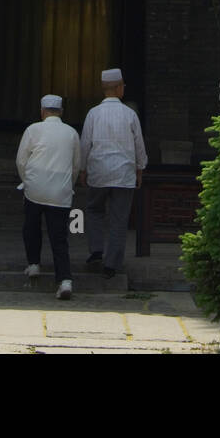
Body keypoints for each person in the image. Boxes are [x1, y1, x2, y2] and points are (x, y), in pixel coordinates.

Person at [79, 68, 147, 279]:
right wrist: (140, 168)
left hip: (98, 172)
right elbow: (139, 145)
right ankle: (112, 263)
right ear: (118, 88)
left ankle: (96, 251)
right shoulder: (130, 114)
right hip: (124, 173)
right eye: (123, 86)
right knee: (119, 218)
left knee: (93, 210)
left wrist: (82, 169)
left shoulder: (93, 113)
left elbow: (85, 144)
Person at [16, 94, 81, 300]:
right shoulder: (71, 133)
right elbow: (76, 165)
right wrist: (68, 185)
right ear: (61, 112)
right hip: (60, 192)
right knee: (59, 237)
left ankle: (34, 264)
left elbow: (21, 160)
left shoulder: (33, 130)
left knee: (31, 226)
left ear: (42, 111)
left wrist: (27, 181)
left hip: (35, 188)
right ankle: (64, 280)